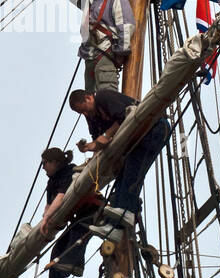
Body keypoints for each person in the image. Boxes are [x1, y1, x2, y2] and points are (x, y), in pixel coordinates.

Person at [68, 89, 170, 239]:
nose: (85, 114)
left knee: (132, 172)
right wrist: (88, 147)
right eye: (80, 113)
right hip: (135, 140)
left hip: (153, 129)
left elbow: (123, 116)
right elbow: (99, 142)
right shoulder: (92, 118)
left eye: (84, 109)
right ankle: (115, 228)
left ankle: (126, 212)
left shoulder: (103, 97)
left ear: (89, 97)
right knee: (121, 180)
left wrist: (106, 135)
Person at [55, 0, 135, 93]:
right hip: (89, 57)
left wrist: (119, 55)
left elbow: (126, 27)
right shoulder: (89, 1)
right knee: (91, 103)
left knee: (107, 98)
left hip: (106, 55)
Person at [34, 147, 101, 278]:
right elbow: (50, 204)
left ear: (55, 162)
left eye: (45, 163)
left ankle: (73, 265)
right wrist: (46, 219)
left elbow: (61, 197)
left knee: (75, 239)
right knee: (56, 253)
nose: (43, 167)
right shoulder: (52, 181)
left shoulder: (68, 172)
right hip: (79, 216)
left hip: (93, 211)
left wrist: (47, 217)